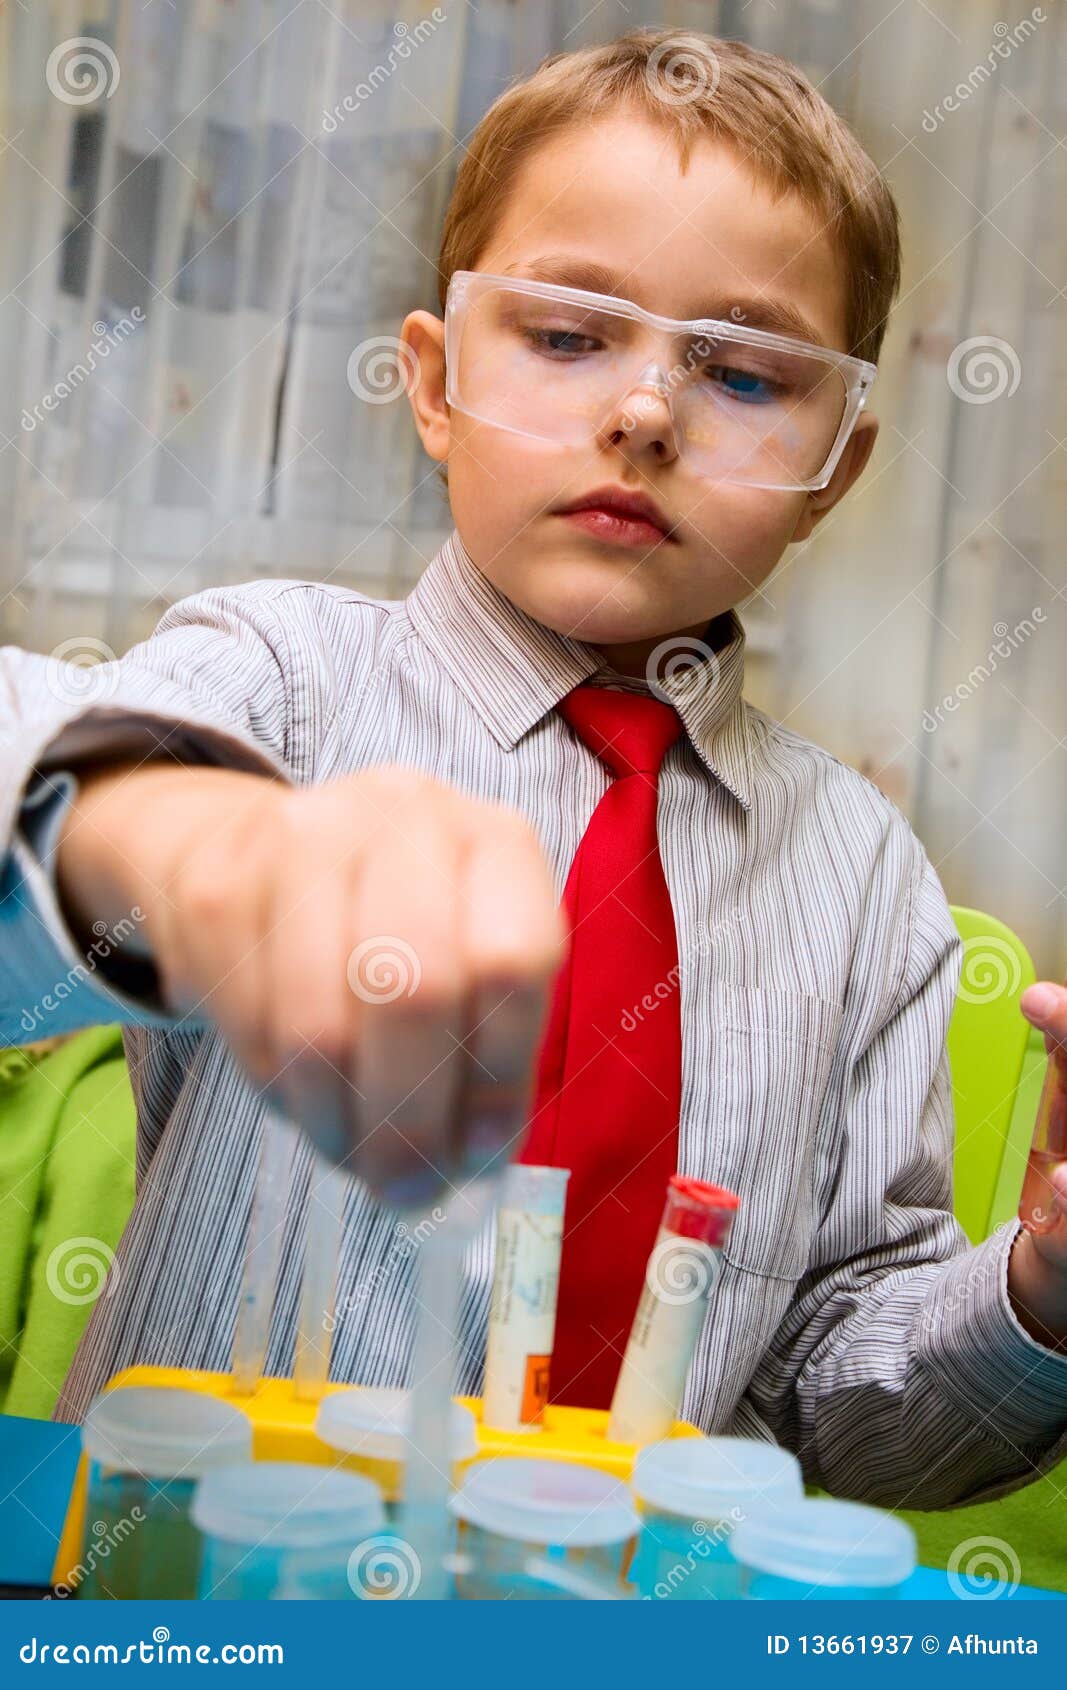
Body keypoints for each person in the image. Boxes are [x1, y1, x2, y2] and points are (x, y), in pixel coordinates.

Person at [2, 29, 1065, 1508]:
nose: (644, 412)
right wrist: (183, 843)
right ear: (434, 386)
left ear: (838, 469)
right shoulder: (280, 682)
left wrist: (1037, 1293)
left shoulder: (868, 880)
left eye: (747, 373)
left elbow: (847, 1405)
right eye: (567, 337)